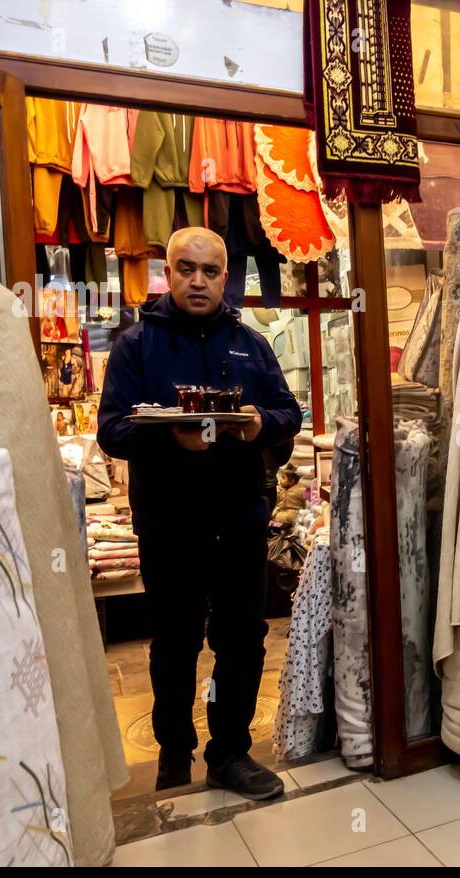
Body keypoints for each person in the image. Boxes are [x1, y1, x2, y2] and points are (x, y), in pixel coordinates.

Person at [97, 227, 301, 798]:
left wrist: (262, 423)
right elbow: (111, 430)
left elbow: (290, 412)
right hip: (169, 523)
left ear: (225, 276)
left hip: (239, 519)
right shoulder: (137, 345)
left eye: (211, 272)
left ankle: (230, 752)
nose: (198, 280)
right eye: (186, 268)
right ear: (168, 272)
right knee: (174, 641)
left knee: (242, 638)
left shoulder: (250, 344)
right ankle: (173, 753)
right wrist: (171, 440)